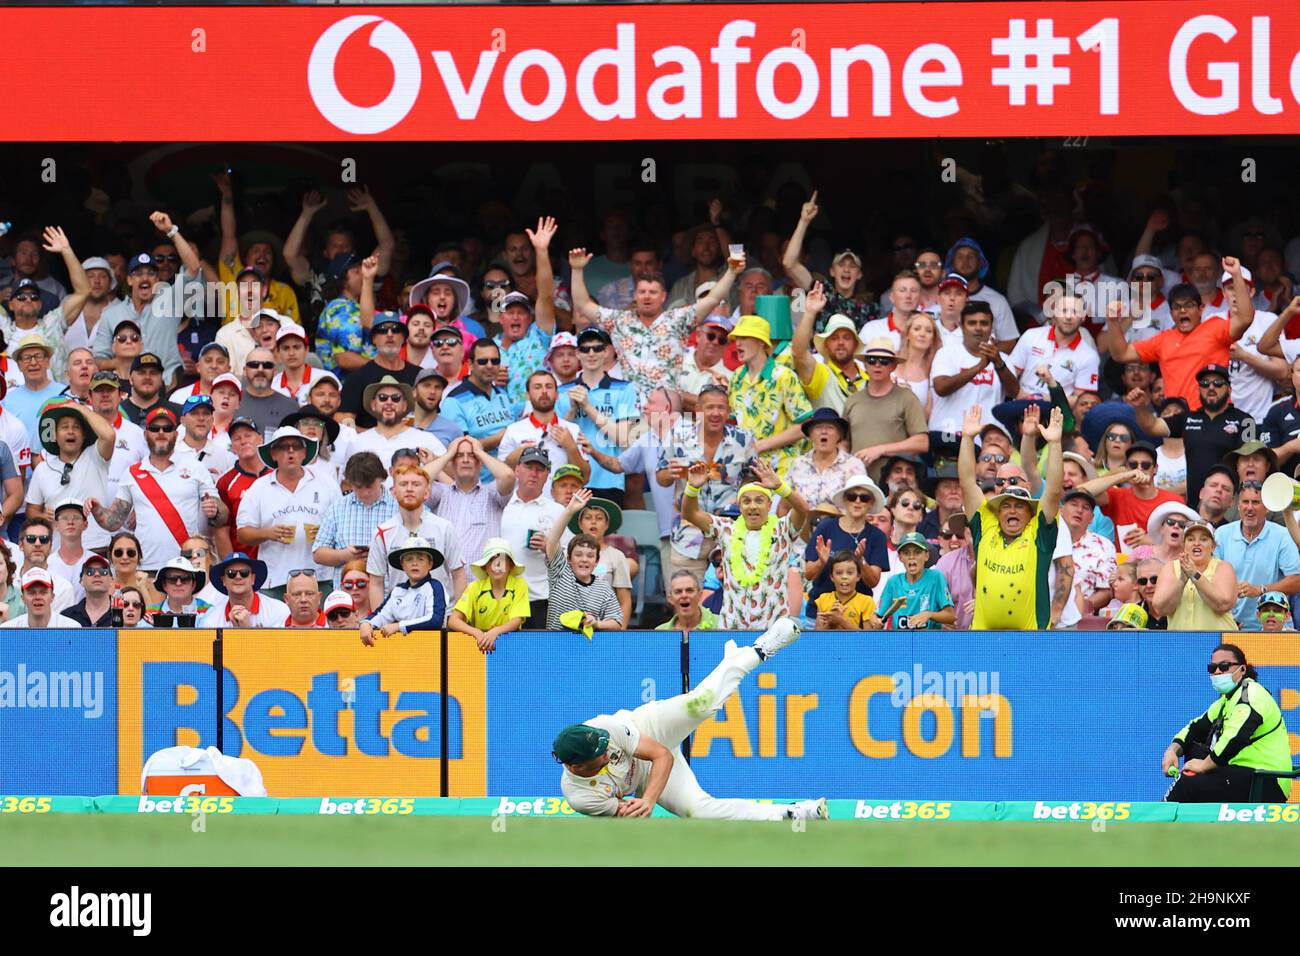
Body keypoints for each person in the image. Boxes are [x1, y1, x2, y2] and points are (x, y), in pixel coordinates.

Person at [552, 617, 828, 820]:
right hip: (644, 778)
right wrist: (640, 808)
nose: (606, 751)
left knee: (702, 703)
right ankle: (794, 813)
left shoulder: (606, 729)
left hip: (649, 730)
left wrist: (648, 801)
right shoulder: (581, 797)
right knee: (698, 811)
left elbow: (662, 756)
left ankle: (756, 651)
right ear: (577, 766)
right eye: (600, 753)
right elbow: (628, 815)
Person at [569, 244, 741, 405]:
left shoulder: (678, 319)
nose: (647, 296)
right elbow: (583, 304)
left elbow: (713, 299)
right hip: (629, 411)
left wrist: (732, 272)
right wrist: (577, 270)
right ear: (635, 296)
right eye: (642, 292)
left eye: (653, 292)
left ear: (663, 297)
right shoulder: (619, 321)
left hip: (668, 412)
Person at [959, 403, 1066, 629]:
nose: (1012, 510)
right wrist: (967, 439)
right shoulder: (985, 525)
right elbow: (967, 482)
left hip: (1031, 636)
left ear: (1030, 512)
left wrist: (1055, 444)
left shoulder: (1040, 532)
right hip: (983, 636)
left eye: (1019, 505)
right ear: (997, 510)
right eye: (1005, 505)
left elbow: (1054, 490)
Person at [89, 407, 226, 573]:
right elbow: (114, 522)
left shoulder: (196, 467)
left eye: (167, 429)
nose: (161, 433)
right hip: (145, 568)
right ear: (146, 435)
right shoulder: (132, 473)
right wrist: (95, 508)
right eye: (155, 429)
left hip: (187, 567)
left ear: (176, 434)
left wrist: (215, 511)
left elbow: (223, 515)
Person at [680, 458, 811, 629]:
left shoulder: (783, 528)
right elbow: (690, 513)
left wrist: (779, 485)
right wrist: (692, 488)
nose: (753, 506)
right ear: (739, 506)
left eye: (759, 500)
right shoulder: (725, 529)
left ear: (769, 504)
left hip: (773, 631)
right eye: (746, 501)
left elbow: (802, 509)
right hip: (732, 627)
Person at [1106, 261, 1254, 411]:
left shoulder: (1215, 327)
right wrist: (1112, 321)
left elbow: (1245, 318)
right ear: (1171, 313)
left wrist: (1237, 275)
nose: (1183, 311)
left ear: (1201, 309)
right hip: (1176, 419)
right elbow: (1121, 354)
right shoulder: (1162, 340)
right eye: (1177, 307)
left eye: (1189, 305)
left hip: (1213, 417)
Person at [1163, 644, 1291, 803]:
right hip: (1240, 774)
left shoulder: (1252, 694)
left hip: (1266, 780)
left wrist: (1204, 765)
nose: (1217, 672)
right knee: (1193, 749)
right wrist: (1173, 750)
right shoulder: (1226, 700)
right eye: (1212, 668)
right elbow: (1195, 728)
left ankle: (1157, 824)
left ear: (1242, 670)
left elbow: (1235, 738)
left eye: (1224, 666)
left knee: (1187, 783)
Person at [235, 426, 340, 599]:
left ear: (305, 453)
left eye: (296, 446)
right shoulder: (259, 488)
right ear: (274, 454)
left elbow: (342, 526)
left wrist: (325, 533)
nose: (291, 451)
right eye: (283, 447)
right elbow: (243, 534)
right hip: (275, 579)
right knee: (276, 626)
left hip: (320, 577)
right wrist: (268, 533)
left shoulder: (327, 483)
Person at [1127, 365, 1253, 508]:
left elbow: (1250, 463)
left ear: (1229, 390)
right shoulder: (1187, 419)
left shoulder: (1245, 420)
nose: (1211, 387)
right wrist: (1140, 407)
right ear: (1199, 390)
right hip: (1194, 505)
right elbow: (1152, 427)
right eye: (1205, 383)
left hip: (1230, 504)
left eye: (1218, 383)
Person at [367, 464, 464, 620]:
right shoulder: (382, 532)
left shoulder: (444, 527)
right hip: (398, 622)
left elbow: (458, 574)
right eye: (403, 484)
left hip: (441, 619)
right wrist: (381, 623)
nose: (409, 489)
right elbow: (376, 582)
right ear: (393, 492)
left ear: (426, 493)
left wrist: (457, 618)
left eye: (416, 484)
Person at [555, 328, 638, 506]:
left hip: (608, 480)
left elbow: (623, 438)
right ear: (578, 353)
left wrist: (588, 407)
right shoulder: (562, 391)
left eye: (597, 348)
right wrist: (571, 411)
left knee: (606, 533)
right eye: (585, 349)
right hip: (570, 478)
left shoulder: (624, 388)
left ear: (606, 351)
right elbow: (556, 440)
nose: (591, 354)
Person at [726, 314, 813, 479]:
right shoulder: (736, 377)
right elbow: (732, 424)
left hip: (782, 471)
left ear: (761, 342)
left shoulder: (783, 376)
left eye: (744, 337)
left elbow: (806, 426)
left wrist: (759, 446)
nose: (737, 343)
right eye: (736, 338)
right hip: (747, 472)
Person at [930, 303, 1020, 456]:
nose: (978, 328)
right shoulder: (947, 353)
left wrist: (998, 363)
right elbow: (941, 388)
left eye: (984, 323)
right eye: (972, 323)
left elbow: (1014, 392)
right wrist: (979, 367)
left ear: (991, 327)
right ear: (962, 326)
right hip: (948, 436)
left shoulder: (1003, 359)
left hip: (986, 442)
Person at [1213, 481, 1300, 629]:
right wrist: (1226, 619)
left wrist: (1261, 590)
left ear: (1267, 507)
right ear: (1238, 505)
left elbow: (1297, 581)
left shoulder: (1282, 535)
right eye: (1245, 502)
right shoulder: (1222, 534)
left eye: (1256, 502)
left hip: (1273, 628)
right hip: (1232, 626)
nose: (1249, 508)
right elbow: (1211, 578)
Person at [842, 339, 929, 485]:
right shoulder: (852, 400)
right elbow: (844, 441)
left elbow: (922, 442)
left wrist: (880, 450)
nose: (877, 365)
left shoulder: (907, 398)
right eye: (871, 360)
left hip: (895, 487)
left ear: (893, 366)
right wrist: (845, 461)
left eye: (884, 361)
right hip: (858, 486)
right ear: (864, 365)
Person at [424, 435, 516, 568]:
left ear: (480, 462)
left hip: (483, 584)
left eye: (471, 456)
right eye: (459, 455)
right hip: (445, 585)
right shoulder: (441, 494)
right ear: (452, 462)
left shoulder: (492, 493)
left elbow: (508, 476)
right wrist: (448, 455)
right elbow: (418, 482)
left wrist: (479, 451)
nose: (466, 460)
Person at [501, 446, 567, 627]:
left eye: (540, 469)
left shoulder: (558, 511)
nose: (534, 473)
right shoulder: (501, 506)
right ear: (517, 470)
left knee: (539, 655)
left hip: (540, 599)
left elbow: (569, 559)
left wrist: (550, 547)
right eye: (529, 467)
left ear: (547, 475)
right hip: (502, 597)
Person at [311, 451, 396, 589]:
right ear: (349, 483)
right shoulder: (338, 508)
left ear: (381, 477)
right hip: (347, 594)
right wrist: (345, 555)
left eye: (369, 486)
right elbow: (318, 553)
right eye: (358, 487)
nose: (365, 492)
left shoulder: (398, 508)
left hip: (388, 593)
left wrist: (380, 556)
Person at [1078, 441, 1181, 553]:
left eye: (1145, 465)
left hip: (1161, 565)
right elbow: (1080, 492)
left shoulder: (1174, 501)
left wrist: (1152, 540)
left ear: (1155, 469)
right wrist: (1123, 476)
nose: (1139, 469)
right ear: (1127, 468)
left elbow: (1184, 541)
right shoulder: (1117, 496)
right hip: (1124, 565)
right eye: (1133, 465)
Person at [544, 489, 624, 632]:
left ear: (597, 561)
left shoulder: (604, 588)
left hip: (589, 649)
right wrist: (569, 510)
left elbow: (616, 623)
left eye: (590, 555)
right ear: (569, 558)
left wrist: (597, 623)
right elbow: (551, 541)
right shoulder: (560, 573)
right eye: (579, 554)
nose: (584, 560)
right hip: (555, 647)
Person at [25, 400, 115, 525]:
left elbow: (109, 435)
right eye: (64, 427)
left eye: (76, 427)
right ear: (55, 435)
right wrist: (42, 517)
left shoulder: (95, 456)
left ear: (84, 435)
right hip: (57, 543)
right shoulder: (42, 469)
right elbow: (31, 510)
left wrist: (79, 408)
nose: (70, 431)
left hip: (96, 543)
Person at [789, 283, 868, 413]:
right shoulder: (821, 374)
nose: (841, 342)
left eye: (847, 337)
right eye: (834, 338)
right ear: (826, 344)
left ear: (855, 344)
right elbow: (798, 353)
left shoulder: (870, 377)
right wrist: (809, 313)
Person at [359, 536, 447, 647]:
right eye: (409, 559)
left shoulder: (435, 586)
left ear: (430, 564)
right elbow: (381, 615)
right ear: (402, 565)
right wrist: (366, 623)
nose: (414, 563)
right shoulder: (398, 590)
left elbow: (435, 620)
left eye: (420, 559)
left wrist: (398, 626)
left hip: (430, 650)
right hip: (401, 651)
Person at [448, 538, 530, 655]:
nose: (497, 564)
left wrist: (496, 632)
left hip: (511, 648)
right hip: (481, 648)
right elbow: (453, 621)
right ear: (484, 567)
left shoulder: (520, 585)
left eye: (502, 559)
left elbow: (516, 621)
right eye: (491, 560)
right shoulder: (474, 588)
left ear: (511, 565)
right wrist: (476, 633)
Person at [1153, 520, 1238, 631]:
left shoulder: (1224, 567)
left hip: (1219, 643)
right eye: (1191, 539)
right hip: (1181, 643)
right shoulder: (1170, 568)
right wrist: (1181, 581)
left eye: (1203, 539)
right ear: (1184, 545)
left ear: (1213, 546)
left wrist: (1194, 575)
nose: (1196, 543)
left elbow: (1223, 604)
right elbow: (1160, 608)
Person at [348, 374, 446, 469]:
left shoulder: (427, 440)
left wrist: (434, 460)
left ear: (404, 405)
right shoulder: (357, 442)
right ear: (373, 404)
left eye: (396, 398)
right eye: (383, 397)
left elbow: (452, 473)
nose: (389, 402)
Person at [788, 407, 866, 513]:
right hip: (802, 524)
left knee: (825, 509)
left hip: (838, 526)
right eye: (818, 427)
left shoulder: (853, 465)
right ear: (810, 435)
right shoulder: (798, 464)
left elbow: (861, 505)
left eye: (830, 427)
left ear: (839, 435)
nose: (824, 432)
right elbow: (785, 505)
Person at [872, 532, 955, 630]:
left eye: (917, 552)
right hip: (900, 642)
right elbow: (876, 615)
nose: (912, 557)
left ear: (926, 556)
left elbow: (951, 616)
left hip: (928, 642)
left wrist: (928, 615)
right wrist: (875, 621)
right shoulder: (893, 582)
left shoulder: (936, 577)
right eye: (906, 553)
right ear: (900, 557)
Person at [1059, 489, 1118, 619]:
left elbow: (1106, 591)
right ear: (1060, 510)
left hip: (1085, 619)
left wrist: (1080, 609)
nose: (1079, 510)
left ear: (1092, 518)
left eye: (1085, 507)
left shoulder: (1104, 546)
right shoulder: (1046, 541)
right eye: (1074, 504)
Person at [198, 552, 290, 627]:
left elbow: (280, 648)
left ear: (253, 578)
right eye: (231, 573)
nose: (238, 577)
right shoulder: (211, 619)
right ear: (223, 580)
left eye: (244, 573)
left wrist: (247, 632)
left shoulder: (279, 610)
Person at [234, 348, 300, 437]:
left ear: (275, 371)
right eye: (254, 365)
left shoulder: (291, 406)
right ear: (245, 370)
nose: (260, 369)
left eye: (267, 365)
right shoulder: (231, 402)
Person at [172, 395, 236, 482]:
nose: (201, 418)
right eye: (194, 413)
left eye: (206, 413)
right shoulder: (170, 455)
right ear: (183, 421)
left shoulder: (227, 459)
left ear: (212, 420)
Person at [813, 550, 878, 630]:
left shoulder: (867, 602)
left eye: (850, 573)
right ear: (832, 577)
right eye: (839, 573)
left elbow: (868, 638)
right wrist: (831, 622)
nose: (844, 577)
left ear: (858, 576)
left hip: (854, 643)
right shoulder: (823, 599)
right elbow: (817, 635)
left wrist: (841, 621)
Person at [1, 568, 80, 629]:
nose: (37, 597)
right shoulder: (7, 629)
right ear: (23, 599)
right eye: (31, 592)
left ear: (52, 597)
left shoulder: (72, 628)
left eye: (43, 592)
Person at [149, 555, 211, 621]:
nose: (178, 583)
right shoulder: (150, 612)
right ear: (164, 585)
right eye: (172, 579)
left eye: (185, 579)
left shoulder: (208, 611)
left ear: (193, 584)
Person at [411, 367, 461, 449]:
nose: (432, 391)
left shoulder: (453, 430)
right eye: (426, 385)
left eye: (438, 387)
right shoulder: (400, 425)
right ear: (414, 392)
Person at [654, 569, 719, 632]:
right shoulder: (660, 632)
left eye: (689, 590)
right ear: (670, 599)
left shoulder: (721, 624)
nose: (684, 595)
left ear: (699, 595)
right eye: (678, 592)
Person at [61, 553, 115, 627]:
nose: (97, 574)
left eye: (103, 571)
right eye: (90, 572)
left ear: (111, 580)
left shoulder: (124, 615)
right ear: (81, 581)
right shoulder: (66, 617)